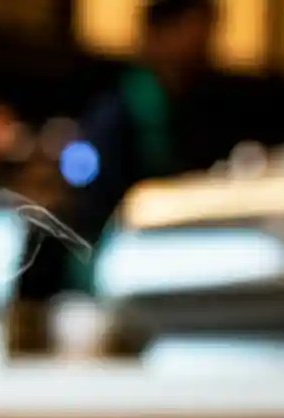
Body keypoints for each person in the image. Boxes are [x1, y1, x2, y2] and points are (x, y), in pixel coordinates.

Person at [72, 0, 228, 243]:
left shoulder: (191, 102)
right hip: (120, 247)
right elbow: (92, 200)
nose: (206, 44)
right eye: (195, 29)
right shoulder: (125, 107)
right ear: (159, 34)